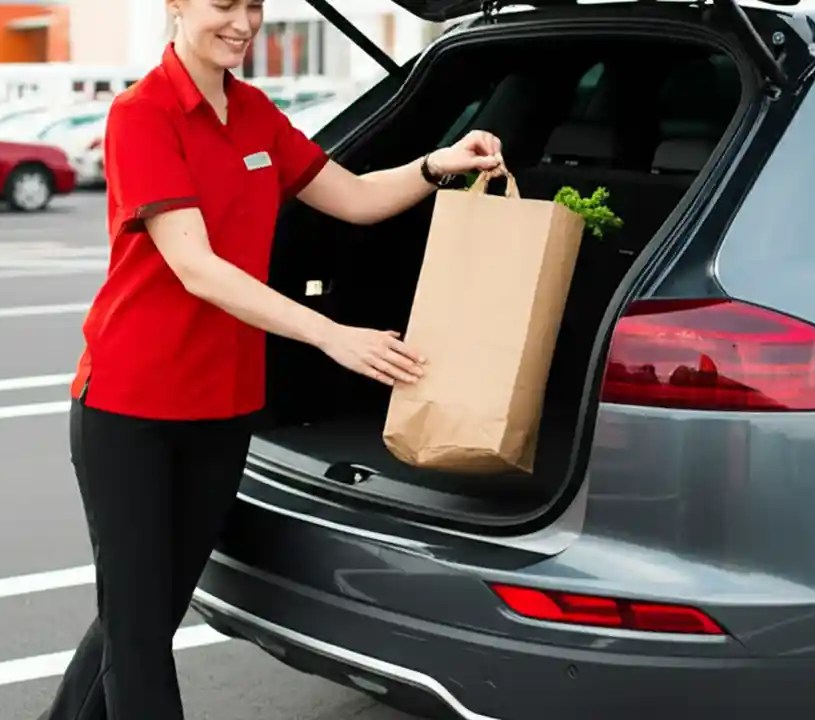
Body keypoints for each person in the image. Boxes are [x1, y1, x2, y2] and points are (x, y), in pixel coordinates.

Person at [40, 1, 505, 718]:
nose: (243, 22)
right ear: (177, 7)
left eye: (254, 5)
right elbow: (196, 266)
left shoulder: (254, 112)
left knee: (146, 617)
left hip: (223, 408)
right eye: (223, 5)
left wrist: (436, 165)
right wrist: (330, 333)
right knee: (137, 636)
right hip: (131, 408)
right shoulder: (143, 114)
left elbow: (351, 198)